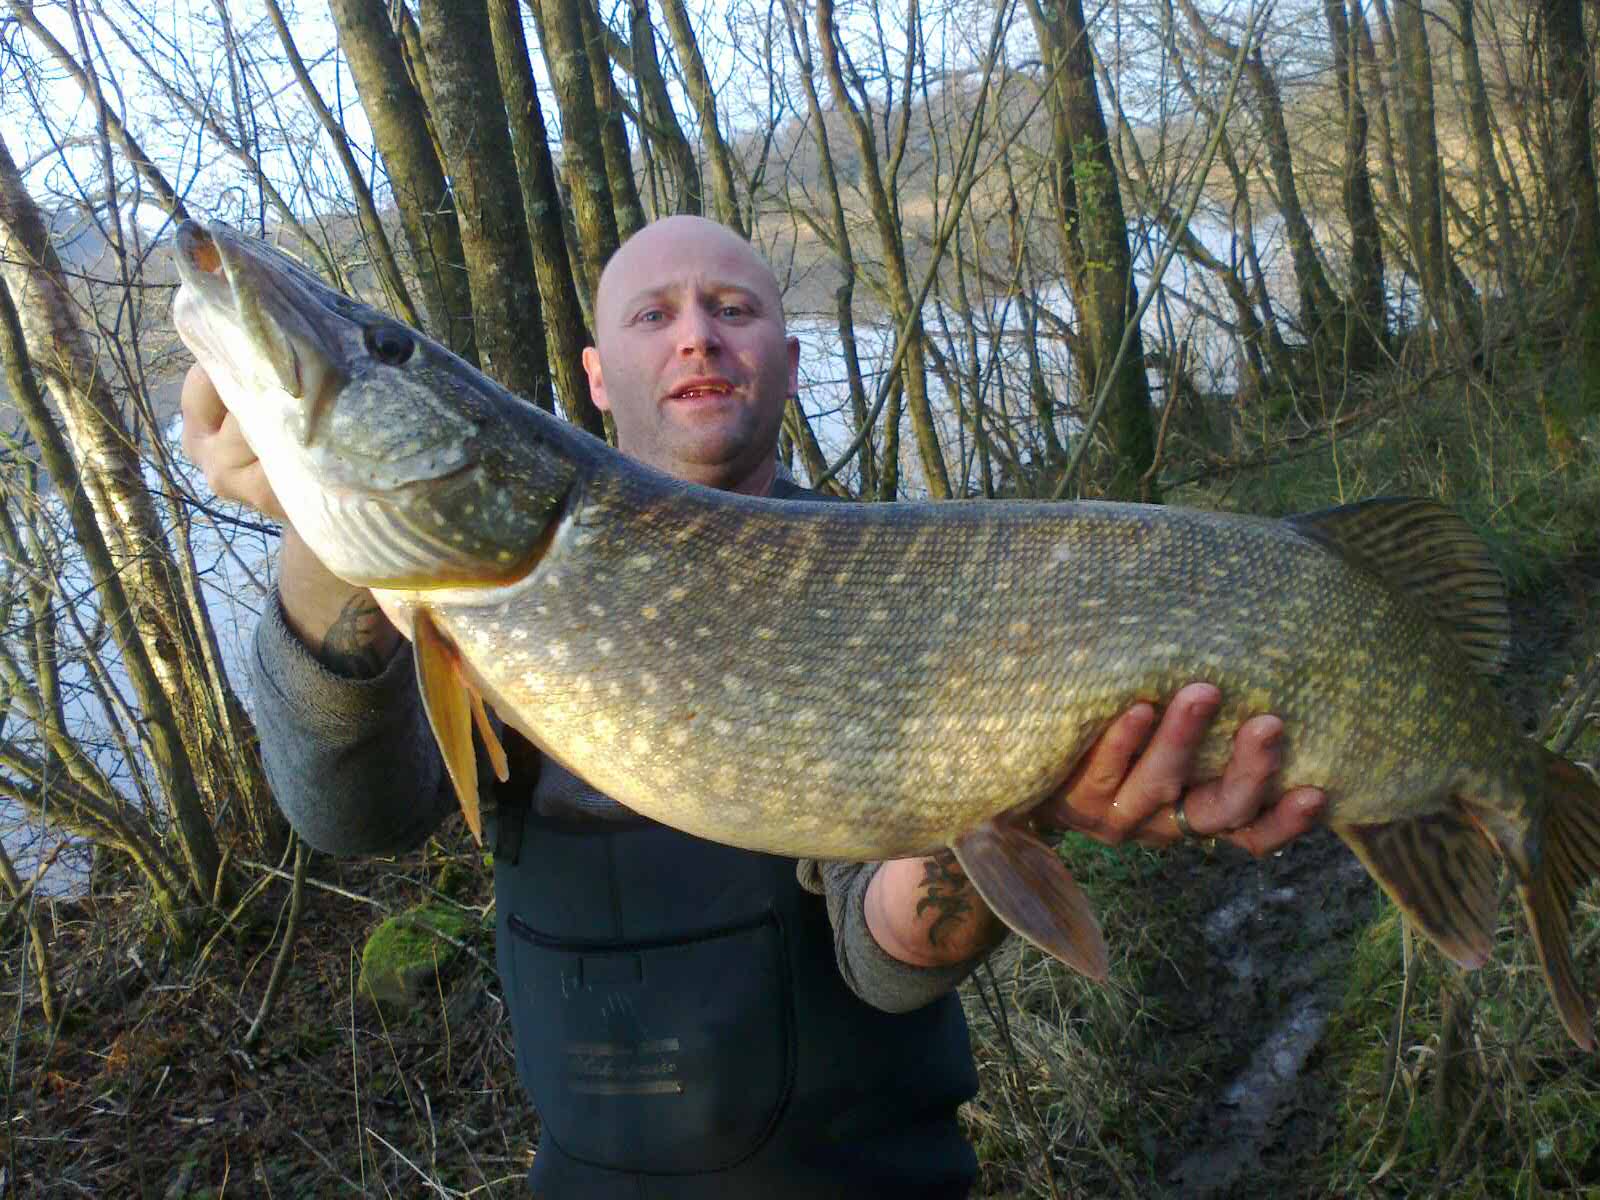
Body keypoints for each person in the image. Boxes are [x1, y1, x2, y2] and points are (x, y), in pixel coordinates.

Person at [181, 214, 1324, 1197]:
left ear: (787, 358)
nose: (697, 335)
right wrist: (314, 526)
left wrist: (1019, 801)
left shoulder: (893, 590)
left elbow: (891, 957)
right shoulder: (476, 605)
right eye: (654, 315)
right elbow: (350, 815)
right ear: (595, 377)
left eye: (732, 309)